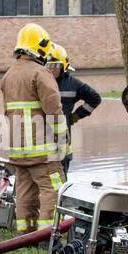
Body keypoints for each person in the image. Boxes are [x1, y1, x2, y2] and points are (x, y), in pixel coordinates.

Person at [0, 22, 65, 233]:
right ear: (41, 47)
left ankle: (24, 234)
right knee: (53, 190)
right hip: (42, 151)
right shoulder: (41, 73)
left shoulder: (8, 75)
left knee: (24, 191)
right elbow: (54, 111)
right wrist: (63, 141)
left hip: (18, 150)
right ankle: (47, 235)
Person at [46, 43, 101, 178]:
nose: (51, 69)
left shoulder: (73, 84)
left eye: (55, 65)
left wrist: (75, 116)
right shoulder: (42, 82)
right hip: (41, 145)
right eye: (48, 65)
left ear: (64, 66)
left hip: (61, 145)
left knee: (60, 184)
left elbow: (95, 98)